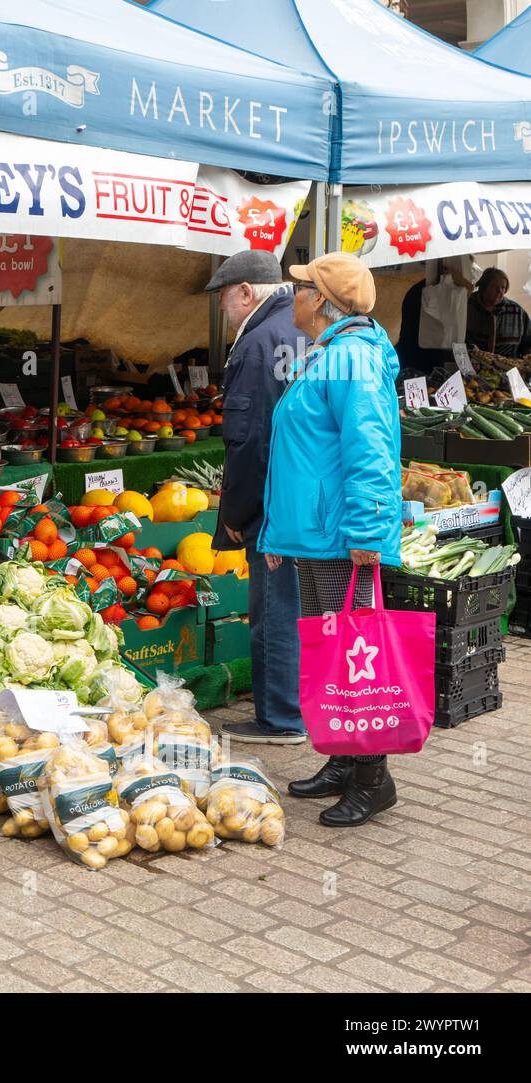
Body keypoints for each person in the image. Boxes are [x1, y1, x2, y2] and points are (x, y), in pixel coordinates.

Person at [257, 252, 402, 828]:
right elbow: (305, 454)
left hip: (343, 537)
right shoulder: (331, 354)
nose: (290, 296)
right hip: (316, 535)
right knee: (333, 650)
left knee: (356, 654)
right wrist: (278, 531)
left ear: (321, 300)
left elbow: (370, 449)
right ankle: (345, 759)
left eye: (299, 288)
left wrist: (367, 530)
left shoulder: (352, 359)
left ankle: (375, 779)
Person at [203, 251, 304, 745]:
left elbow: (248, 441)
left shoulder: (256, 343)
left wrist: (237, 512)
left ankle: (281, 718)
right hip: (309, 494)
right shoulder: (306, 325)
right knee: (301, 605)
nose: (222, 310)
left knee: (275, 609)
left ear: (246, 293)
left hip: (273, 501)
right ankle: (301, 704)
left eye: (223, 298)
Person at [465, 267, 531, 358]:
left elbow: (528, 344)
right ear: (483, 287)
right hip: (473, 366)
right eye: (494, 287)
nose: (499, 291)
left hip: (508, 368)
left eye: (503, 287)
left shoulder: (516, 312)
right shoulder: (468, 306)